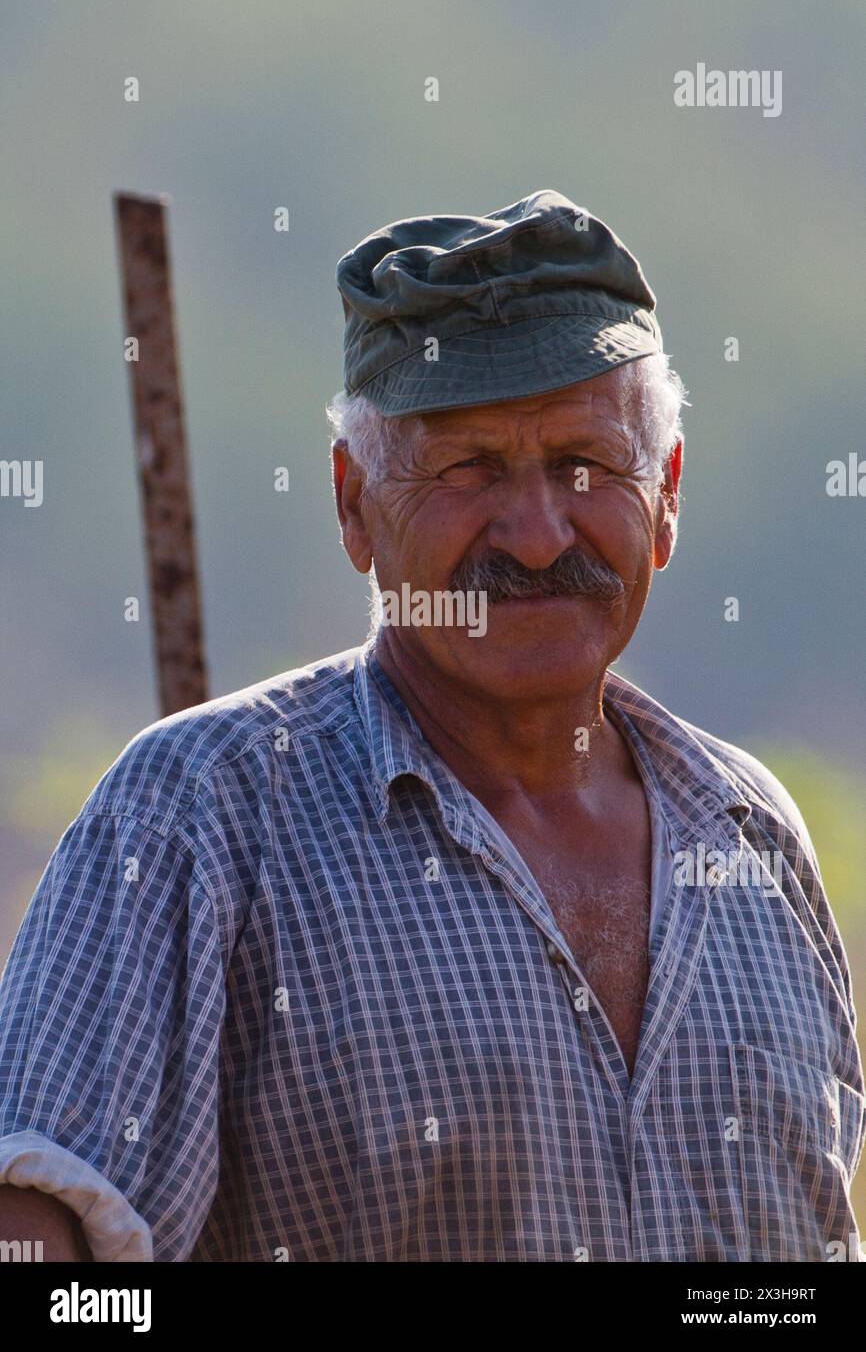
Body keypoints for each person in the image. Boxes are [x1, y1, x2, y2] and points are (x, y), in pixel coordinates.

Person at [0, 190, 863, 1261]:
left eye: (585, 466)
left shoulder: (751, 841)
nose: (541, 536)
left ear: (667, 495)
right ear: (353, 504)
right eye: (468, 470)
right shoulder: (197, 817)